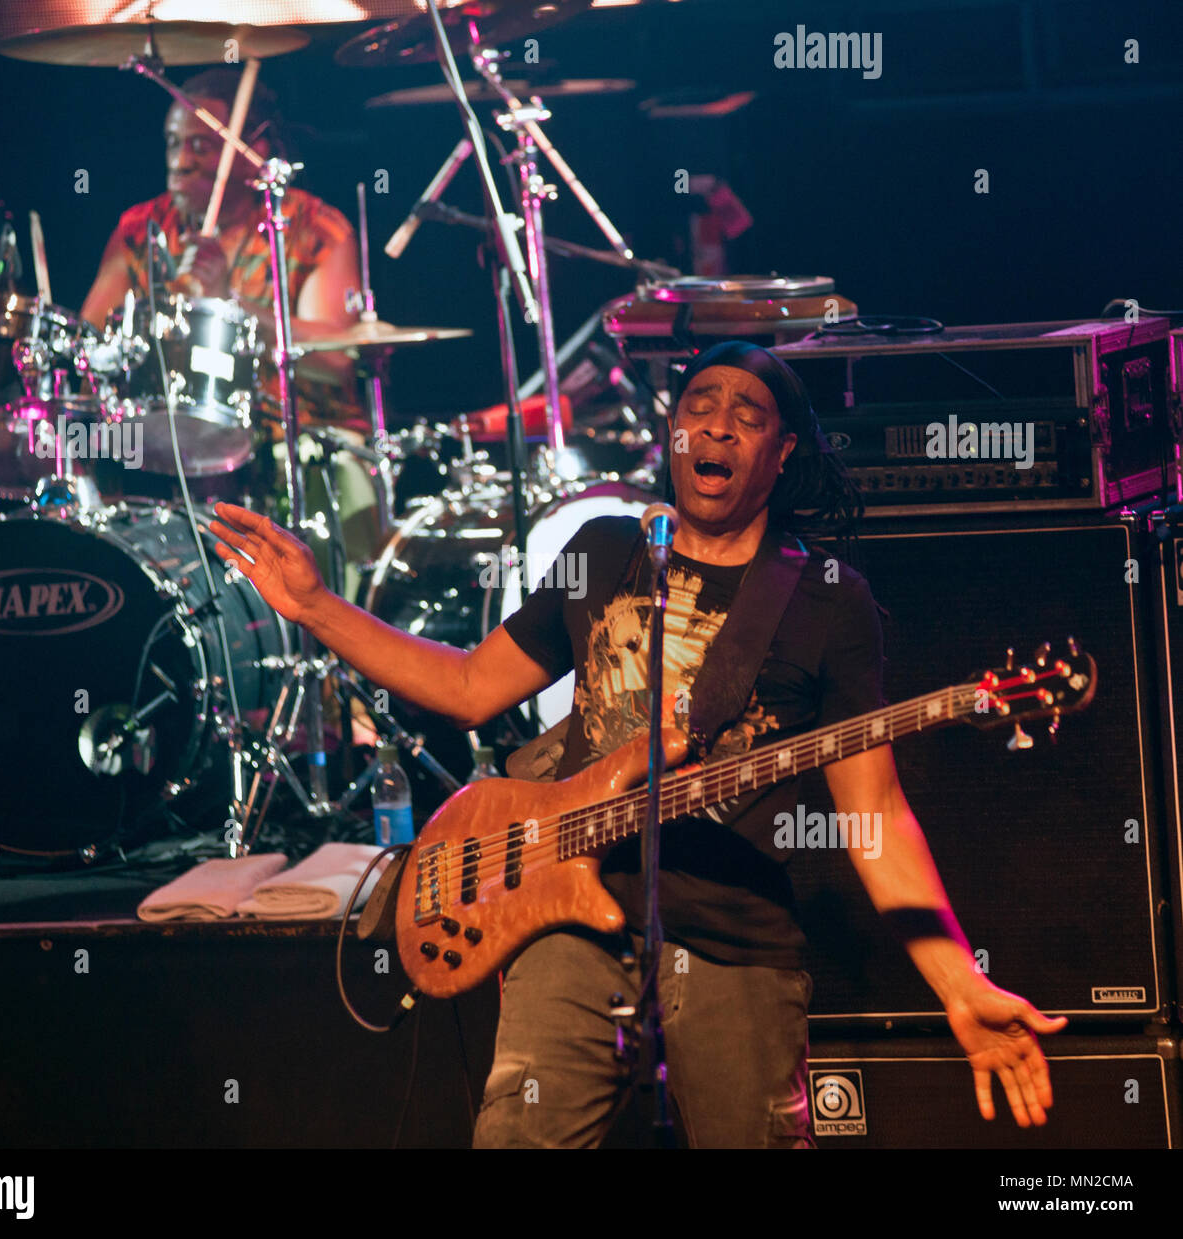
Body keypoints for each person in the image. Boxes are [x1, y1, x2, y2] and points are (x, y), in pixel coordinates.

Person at [208, 341, 1068, 1148]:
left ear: (782, 453)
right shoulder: (609, 548)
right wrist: (317, 604)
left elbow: (874, 813)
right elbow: (468, 689)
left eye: (750, 413)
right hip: (566, 918)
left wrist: (962, 984)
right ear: (675, 430)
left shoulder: (826, 601)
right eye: (701, 403)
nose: (720, 423)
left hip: (735, 940)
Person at [80, 66, 360, 400]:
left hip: (298, 437)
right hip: (171, 432)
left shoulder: (315, 229)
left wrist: (229, 305)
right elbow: (90, 342)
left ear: (253, 150)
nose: (179, 162)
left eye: (200, 147)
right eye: (173, 143)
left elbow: (338, 361)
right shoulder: (141, 227)